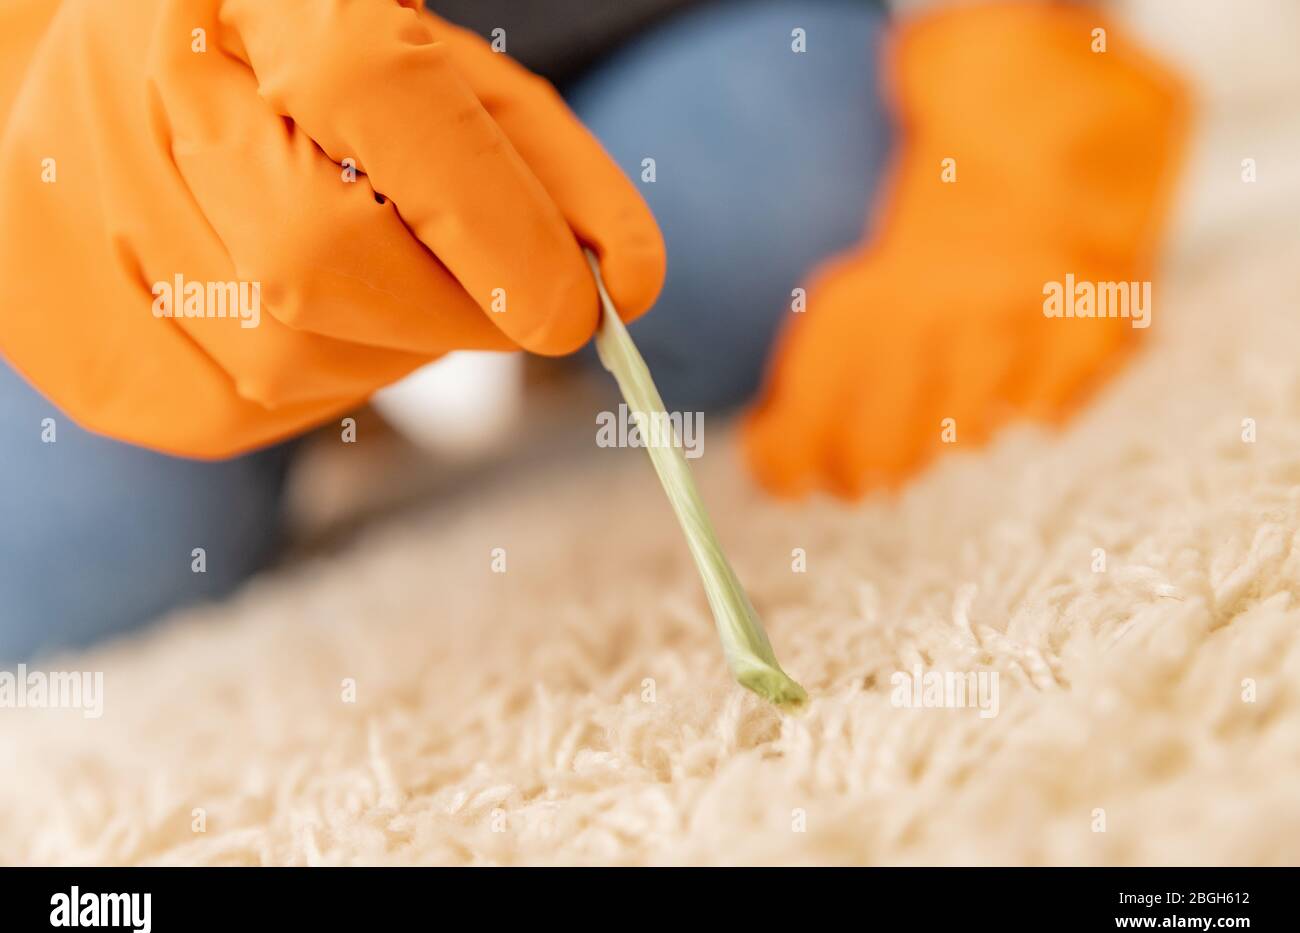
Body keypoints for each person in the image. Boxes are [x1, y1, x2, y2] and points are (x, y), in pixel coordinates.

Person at [0, 0, 1185, 657]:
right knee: (71, 549)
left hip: (646, 30)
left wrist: (1016, 88)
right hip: (104, 84)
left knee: (788, 199)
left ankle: (497, 322)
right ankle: (321, 353)